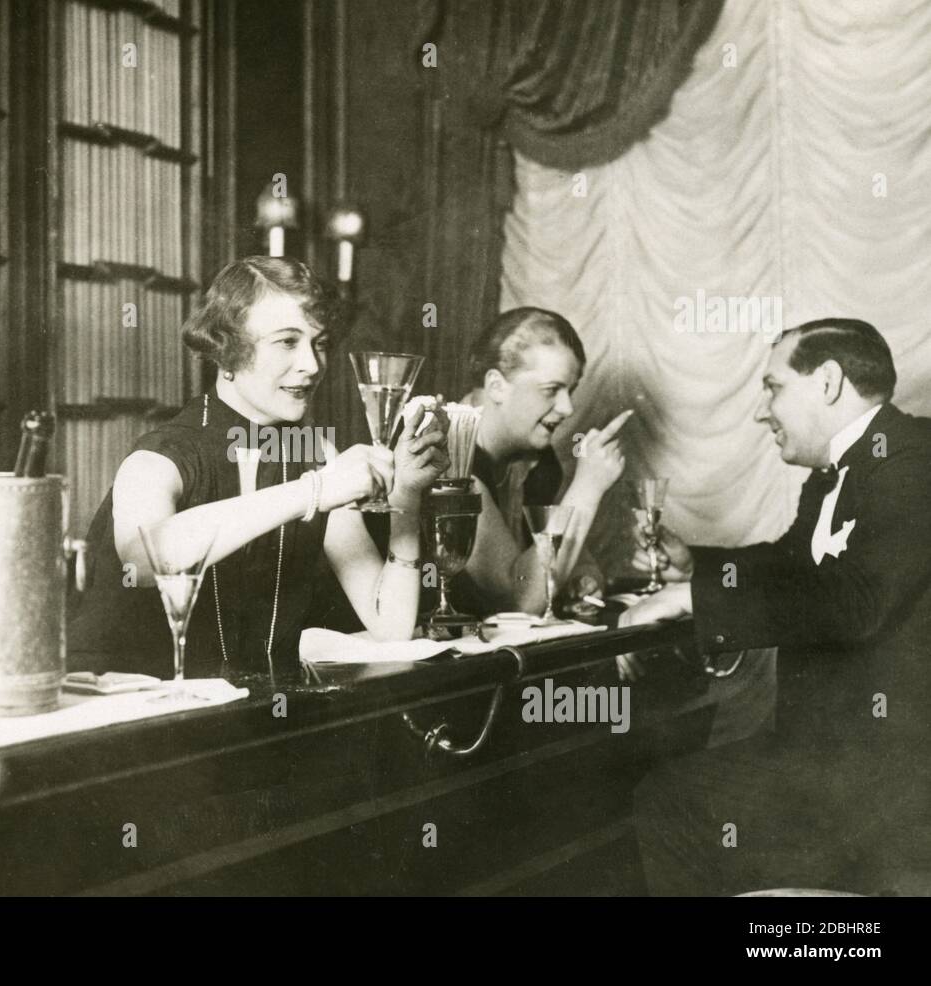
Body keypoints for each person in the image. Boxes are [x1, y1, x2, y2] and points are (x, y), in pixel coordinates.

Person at [621, 318, 931, 895]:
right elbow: (791, 565)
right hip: (834, 755)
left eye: (774, 387)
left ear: (829, 382)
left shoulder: (914, 461)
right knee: (667, 790)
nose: (763, 411)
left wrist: (692, 600)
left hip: (892, 776)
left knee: (671, 800)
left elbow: (860, 604)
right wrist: (696, 565)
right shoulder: (839, 469)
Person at [68, 256, 450, 679]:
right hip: (132, 716)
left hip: (248, 715)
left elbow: (390, 624)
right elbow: (140, 563)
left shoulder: (312, 453)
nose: (312, 364)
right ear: (227, 352)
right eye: (287, 342)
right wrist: (316, 491)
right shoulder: (160, 455)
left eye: (318, 343)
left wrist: (407, 499)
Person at [451, 307, 630, 617]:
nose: (567, 407)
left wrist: (583, 578)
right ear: (496, 386)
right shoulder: (445, 454)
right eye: (552, 390)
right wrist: (587, 488)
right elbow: (518, 601)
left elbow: (560, 556)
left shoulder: (536, 458)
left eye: (570, 390)